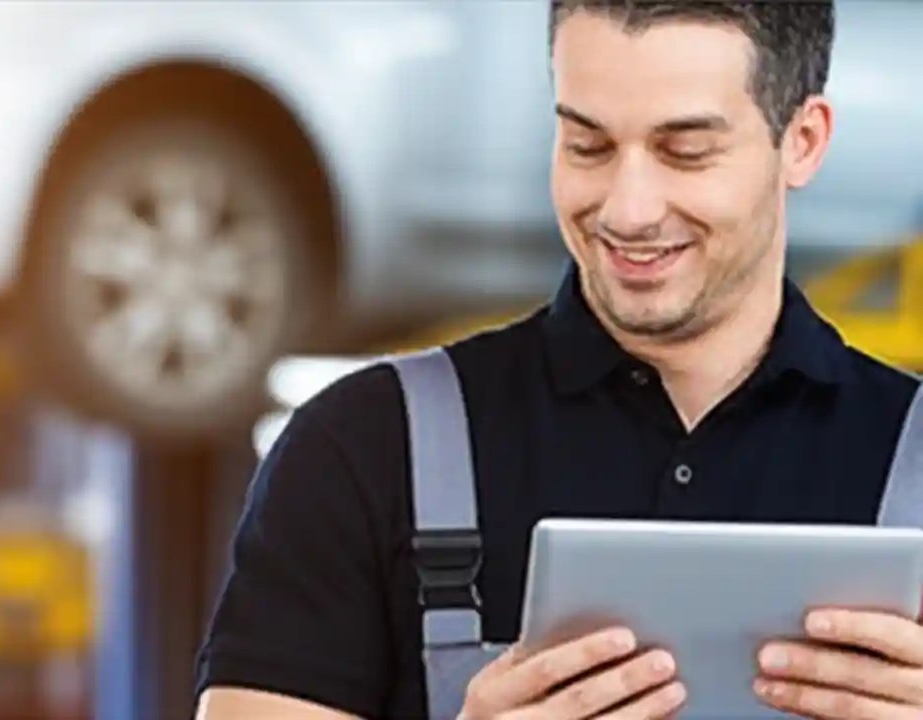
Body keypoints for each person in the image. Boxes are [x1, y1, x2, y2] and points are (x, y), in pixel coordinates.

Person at [194, 1, 923, 718]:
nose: (628, 208)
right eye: (588, 145)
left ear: (803, 140)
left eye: (685, 151)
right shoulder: (362, 448)